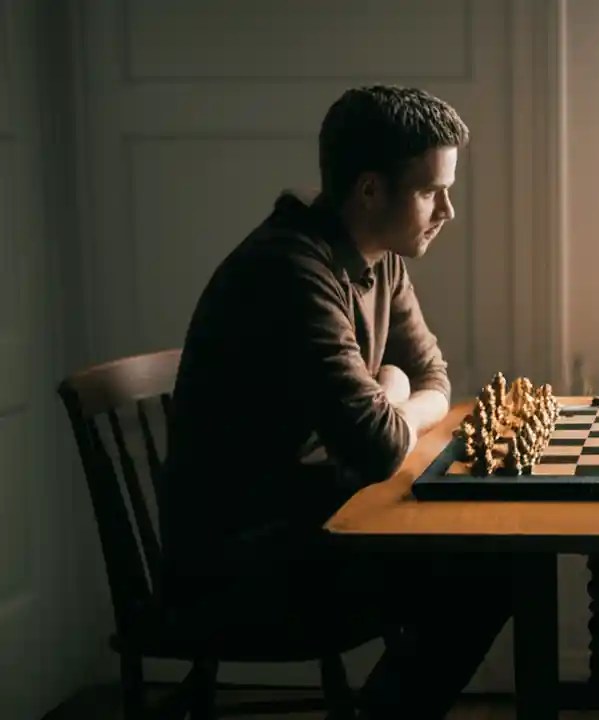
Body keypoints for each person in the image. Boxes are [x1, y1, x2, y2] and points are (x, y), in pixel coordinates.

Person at [160, 85, 512, 719]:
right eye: (432, 191)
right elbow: (377, 448)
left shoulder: (379, 259)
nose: (448, 211)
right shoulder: (291, 271)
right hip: (237, 559)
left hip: (306, 511)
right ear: (370, 190)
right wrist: (394, 393)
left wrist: (394, 393)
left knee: (489, 557)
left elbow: (433, 375)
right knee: (488, 571)